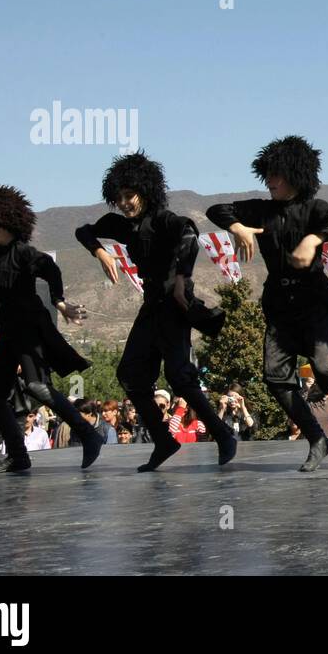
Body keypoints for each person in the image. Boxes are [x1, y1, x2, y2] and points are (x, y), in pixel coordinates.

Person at [206, 135, 328, 471]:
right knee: (274, 377)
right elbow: (217, 210)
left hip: (314, 299)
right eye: (268, 174)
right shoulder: (262, 209)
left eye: (278, 175)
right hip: (279, 303)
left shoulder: (315, 208)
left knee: (326, 368)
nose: (270, 181)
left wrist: (314, 239)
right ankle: (318, 439)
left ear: (296, 175)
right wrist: (238, 227)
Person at [76, 151, 236, 472]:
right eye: (119, 197)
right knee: (130, 375)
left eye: (129, 195)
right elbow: (84, 230)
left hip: (175, 303)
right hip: (152, 305)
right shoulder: (123, 226)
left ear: (145, 191)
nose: (124, 202)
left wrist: (181, 279)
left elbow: (190, 235)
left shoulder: (163, 219)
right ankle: (164, 441)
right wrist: (101, 253)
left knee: (179, 376)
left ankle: (223, 434)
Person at [0, 184, 103, 473]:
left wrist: (60, 303)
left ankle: (88, 433)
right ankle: (18, 456)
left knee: (36, 385)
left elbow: (50, 268)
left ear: (2, 223)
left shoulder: (24, 254)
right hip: (9, 330)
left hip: (28, 326)